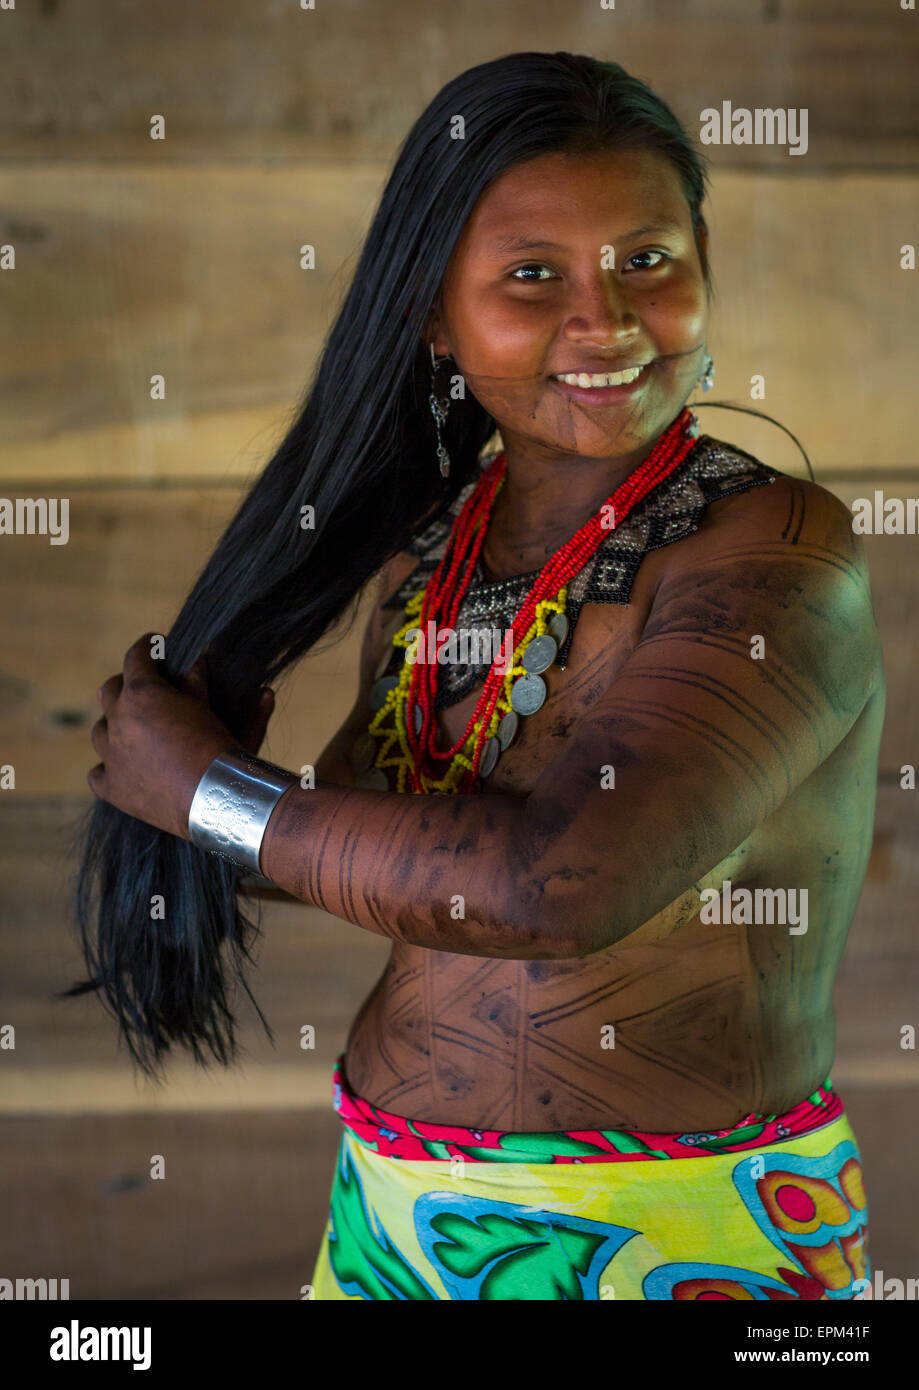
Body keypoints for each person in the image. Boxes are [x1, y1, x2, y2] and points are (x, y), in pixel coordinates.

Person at [73, 52, 883, 1301]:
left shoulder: (773, 558)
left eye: (648, 259)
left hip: (675, 1232)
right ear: (435, 318)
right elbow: (377, 851)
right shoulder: (434, 553)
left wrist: (208, 796)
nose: (605, 317)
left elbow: (556, 889)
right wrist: (212, 774)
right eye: (530, 275)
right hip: (394, 1210)